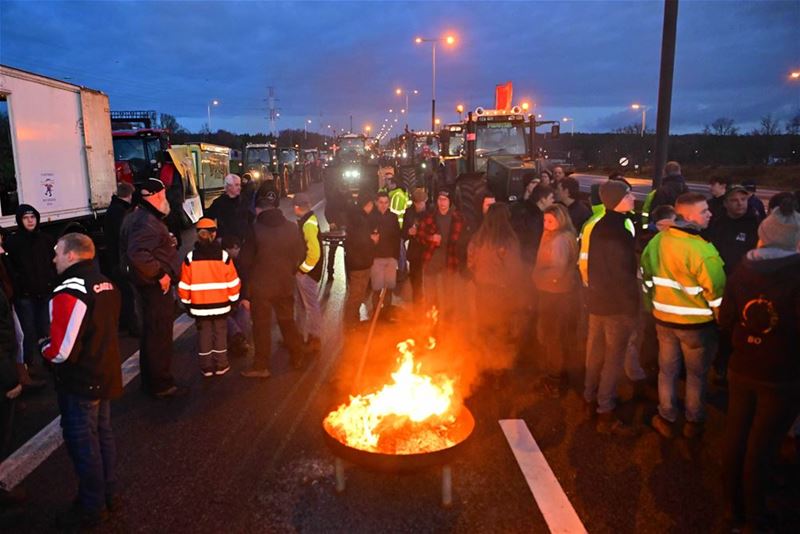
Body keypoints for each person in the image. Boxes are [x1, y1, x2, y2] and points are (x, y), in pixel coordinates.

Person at [719, 196, 800, 532]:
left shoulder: (743, 268)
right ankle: (756, 516)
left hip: (742, 367)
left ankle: (732, 507)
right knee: (762, 445)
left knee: (736, 435)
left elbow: (726, 319)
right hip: (780, 375)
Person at [40, 233, 122, 528]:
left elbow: (61, 351)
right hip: (105, 372)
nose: (54, 259)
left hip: (80, 381)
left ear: (72, 255)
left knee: (83, 444)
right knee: (103, 437)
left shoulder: (69, 290)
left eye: (57, 253)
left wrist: (41, 349)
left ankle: (92, 506)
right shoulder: (107, 284)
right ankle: (109, 494)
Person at [641, 192, 726, 439]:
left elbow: (645, 278)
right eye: (704, 211)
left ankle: (666, 416)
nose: (710, 214)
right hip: (696, 326)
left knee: (666, 371)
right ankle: (694, 421)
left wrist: (651, 306)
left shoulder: (657, 242)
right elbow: (717, 292)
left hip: (663, 321)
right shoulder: (701, 249)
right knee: (696, 375)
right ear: (687, 216)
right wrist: (721, 319)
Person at [119, 178, 184, 399]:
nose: (165, 200)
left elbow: (147, 247)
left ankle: (151, 380)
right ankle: (161, 383)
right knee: (159, 335)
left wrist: (168, 241)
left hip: (146, 286)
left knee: (151, 333)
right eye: (163, 195)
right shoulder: (145, 221)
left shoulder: (138, 217)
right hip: (154, 287)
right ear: (155, 196)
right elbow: (138, 253)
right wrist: (161, 275)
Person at [584, 180, 638, 434]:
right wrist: (631, 307)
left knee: (594, 353)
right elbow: (623, 274)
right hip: (616, 306)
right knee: (613, 359)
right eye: (628, 195)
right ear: (617, 200)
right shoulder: (620, 231)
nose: (634, 198)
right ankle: (605, 409)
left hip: (597, 302)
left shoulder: (599, 227)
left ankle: (588, 396)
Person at [239, 190, 307, 377]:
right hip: (285, 283)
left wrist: (245, 291)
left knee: (261, 326)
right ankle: (298, 355)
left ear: (259, 209)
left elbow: (245, 261)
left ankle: (261, 366)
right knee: (287, 321)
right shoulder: (292, 227)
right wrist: (289, 271)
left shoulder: (254, 230)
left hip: (261, 287)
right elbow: (300, 254)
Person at [178, 218, 240, 377]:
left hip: (199, 307)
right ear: (214, 234)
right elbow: (233, 282)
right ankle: (221, 364)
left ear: (198, 235)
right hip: (221, 305)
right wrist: (233, 301)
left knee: (204, 335)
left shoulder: (190, 258)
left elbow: (184, 285)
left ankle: (206, 367)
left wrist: (187, 304)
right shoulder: (223, 256)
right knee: (220, 334)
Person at [4, 204, 56, 376]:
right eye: (26, 218)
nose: (30, 221)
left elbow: (53, 263)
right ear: (20, 220)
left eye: (33, 217)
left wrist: (52, 283)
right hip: (24, 296)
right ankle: (28, 365)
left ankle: (49, 360)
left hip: (45, 292)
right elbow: (10, 269)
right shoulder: (12, 243)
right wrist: (18, 289)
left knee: (46, 329)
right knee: (27, 332)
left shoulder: (46, 239)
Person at [532, 204, 579, 397]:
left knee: (552, 336)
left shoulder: (559, 240)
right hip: (555, 291)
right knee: (555, 335)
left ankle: (554, 380)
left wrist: (536, 277)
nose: (546, 224)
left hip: (554, 293)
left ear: (561, 220)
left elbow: (557, 271)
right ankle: (557, 375)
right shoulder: (554, 235)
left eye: (550, 221)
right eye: (544, 220)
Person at [467, 203, 524, 356]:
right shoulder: (507, 240)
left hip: (482, 289)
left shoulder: (478, 238)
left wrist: (477, 277)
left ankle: (482, 366)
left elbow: (470, 262)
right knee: (501, 329)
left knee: (484, 327)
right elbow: (513, 268)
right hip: (502, 292)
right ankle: (498, 367)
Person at [417, 189, 464, 320]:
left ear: (450, 202)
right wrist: (430, 238)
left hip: (450, 261)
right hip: (432, 261)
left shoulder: (458, 218)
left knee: (449, 296)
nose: (441, 203)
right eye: (439, 199)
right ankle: (432, 326)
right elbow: (420, 235)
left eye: (445, 200)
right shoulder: (430, 217)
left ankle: (448, 326)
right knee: (431, 296)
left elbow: (463, 239)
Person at [103, 182, 138, 336]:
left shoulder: (113, 210)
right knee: (127, 294)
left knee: (122, 293)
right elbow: (124, 236)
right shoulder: (122, 212)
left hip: (114, 257)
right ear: (129, 195)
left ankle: (124, 323)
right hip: (120, 259)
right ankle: (131, 325)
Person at [705, 184, 760, 275]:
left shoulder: (756, 224)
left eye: (743, 199)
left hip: (743, 277)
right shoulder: (717, 222)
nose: (740, 203)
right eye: (734, 200)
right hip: (717, 274)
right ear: (725, 203)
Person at [293, 193, 323, 353]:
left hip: (307, 273)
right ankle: (299, 335)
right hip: (307, 272)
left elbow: (314, 253)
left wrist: (302, 270)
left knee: (310, 306)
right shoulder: (310, 220)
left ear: (296, 208)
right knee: (301, 305)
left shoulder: (308, 225)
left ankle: (314, 337)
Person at [343, 193, 375, 326]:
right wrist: (372, 239)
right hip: (360, 263)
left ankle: (353, 321)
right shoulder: (360, 220)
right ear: (367, 205)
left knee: (358, 294)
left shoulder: (356, 217)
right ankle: (350, 324)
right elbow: (360, 241)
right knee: (356, 295)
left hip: (358, 261)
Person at [368, 191, 401, 315]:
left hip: (390, 258)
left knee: (389, 287)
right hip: (376, 258)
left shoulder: (393, 217)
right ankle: (376, 314)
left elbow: (397, 238)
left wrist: (396, 257)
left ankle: (386, 313)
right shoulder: (371, 217)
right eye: (381, 202)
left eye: (386, 203)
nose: (383, 205)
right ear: (376, 203)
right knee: (377, 287)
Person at [222, 236, 251, 358]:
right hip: (229, 298)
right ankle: (240, 338)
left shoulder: (239, 263)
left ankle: (238, 338)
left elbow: (246, 281)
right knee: (241, 313)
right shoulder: (233, 262)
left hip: (234, 298)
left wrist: (245, 298)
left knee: (239, 312)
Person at [514, 184, 554, 268]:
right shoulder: (533, 218)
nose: (553, 201)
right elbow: (532, 243)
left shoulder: (526, 211)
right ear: (542, 200)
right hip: (528, 264)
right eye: (551, 198)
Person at [206, 174, 252, 242]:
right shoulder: (219, 203)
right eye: (236, 185)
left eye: (239, 185)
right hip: (226, 241)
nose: (240, 187)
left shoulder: (244, 201)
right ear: (228, 186)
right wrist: (216, 236)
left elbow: (251, 219)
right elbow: (207, 219)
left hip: (241, 241)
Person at [402, 188, 428, 307]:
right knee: (415, 280)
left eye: (421, 202)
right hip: (414, 251)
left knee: (427, 281)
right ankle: (417, 307)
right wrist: (408, 232)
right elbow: (402, 232)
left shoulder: (430, 212)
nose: (419, 205)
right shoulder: (409, 212)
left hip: (427, 250)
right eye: (417, 203)